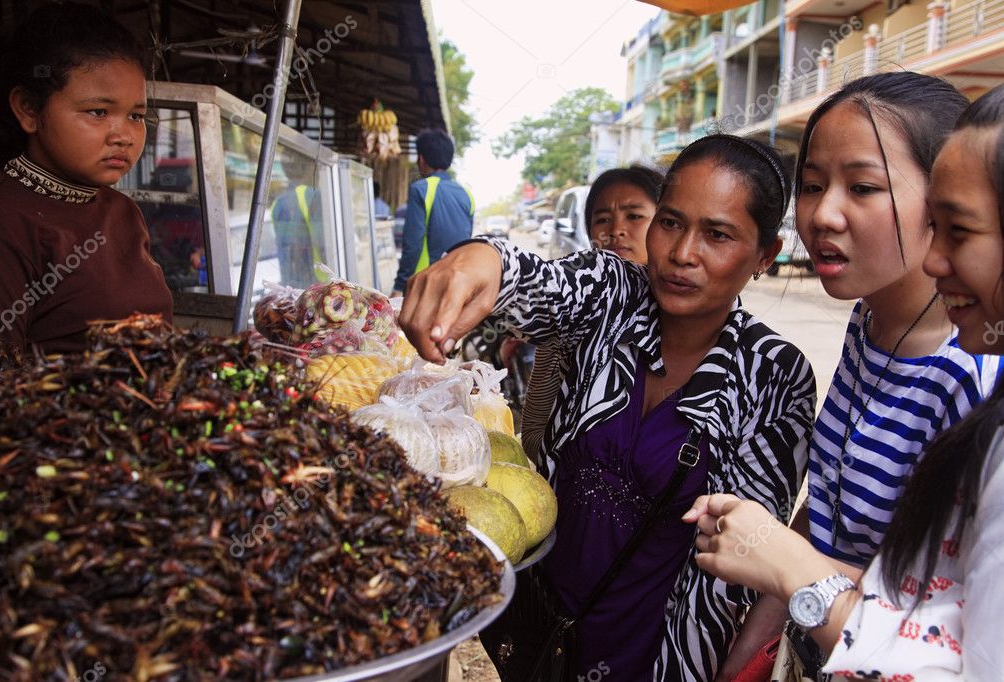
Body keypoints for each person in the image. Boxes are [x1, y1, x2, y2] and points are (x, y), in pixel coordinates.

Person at [401, 135, 817, 681]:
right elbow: (541, 281)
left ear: (766, 254)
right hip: (538, 625)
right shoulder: (615, 295)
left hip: (658, 655)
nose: (682, 253)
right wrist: (482, 258)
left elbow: (748, 564)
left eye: (717, 234)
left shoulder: (776, 375)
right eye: (670, 222)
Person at [686, 83, 1004, 681]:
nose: (823, 215)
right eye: (811, 185)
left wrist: (788, 564)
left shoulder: (974, 377)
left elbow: (949, 627)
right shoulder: (868, 320)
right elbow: (825, 509)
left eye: (862, 187)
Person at [0, 2, 171, 353]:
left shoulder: (124, 212)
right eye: (98, 112)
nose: (124, 135)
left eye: (136, 116)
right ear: (28, 109)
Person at [520, 164, 664, 463]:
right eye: (603, 219)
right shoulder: (569, 318)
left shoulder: (684, 318)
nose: (615, 231)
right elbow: (534, 430)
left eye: (634, 216)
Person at [390, 129, 474, 297]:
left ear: (421, 159)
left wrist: (399, 285)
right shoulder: (467, 193)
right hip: (457, 285)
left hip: (425, 284)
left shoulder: (421, 189)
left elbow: (413, 244)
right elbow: (466, 241)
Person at [271, 158, 327, 289]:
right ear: (306, 168)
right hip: (318, 286)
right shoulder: (313, 196)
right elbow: (325, 246)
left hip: (291, 286)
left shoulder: (277, 203)